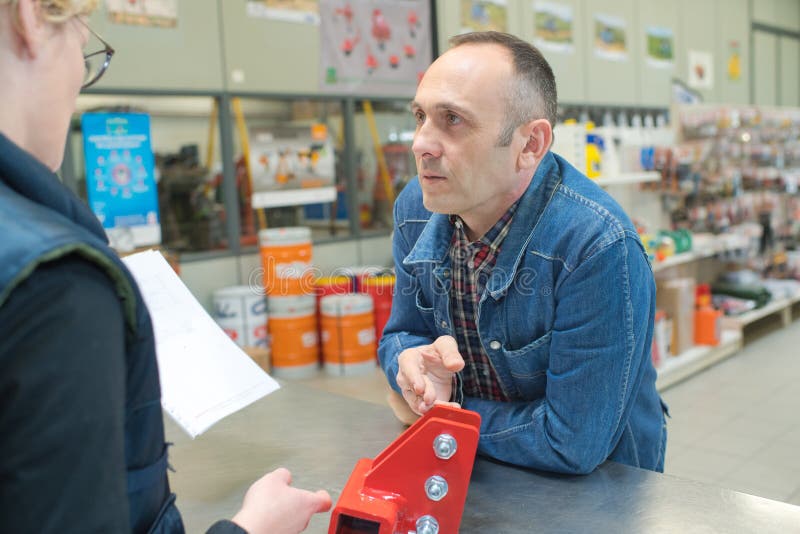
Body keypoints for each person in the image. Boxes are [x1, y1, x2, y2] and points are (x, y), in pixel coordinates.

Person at [0, 1, 330, 532]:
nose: (78, 80)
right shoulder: (55, 283)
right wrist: (251, 529)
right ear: (33, 18)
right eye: (84, 51)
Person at [378, 31, 668, 475]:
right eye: (421, 116)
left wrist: (447, 412)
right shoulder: (416, 209)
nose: (420, 143)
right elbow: (402, 332)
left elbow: (573, 443)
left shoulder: (595, 245)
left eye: (452, 119)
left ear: (530, 145)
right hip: (474, 469)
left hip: (601, 489)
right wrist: (410, 364)